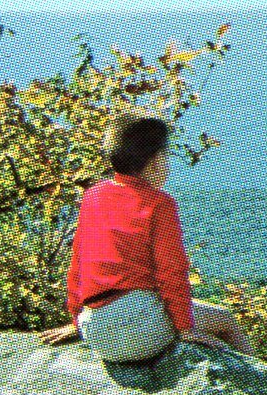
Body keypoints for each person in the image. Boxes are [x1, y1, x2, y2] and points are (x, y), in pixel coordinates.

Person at [35, 113, 255, 361]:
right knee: (225, 321)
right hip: (137, 327)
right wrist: (185, 327)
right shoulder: (159, 204)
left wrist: (76, 319)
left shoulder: (93, 196)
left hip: (93, 330)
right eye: (166, 157)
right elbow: (171, 271)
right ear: (156, 161)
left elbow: (78, 266)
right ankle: (265, 390)